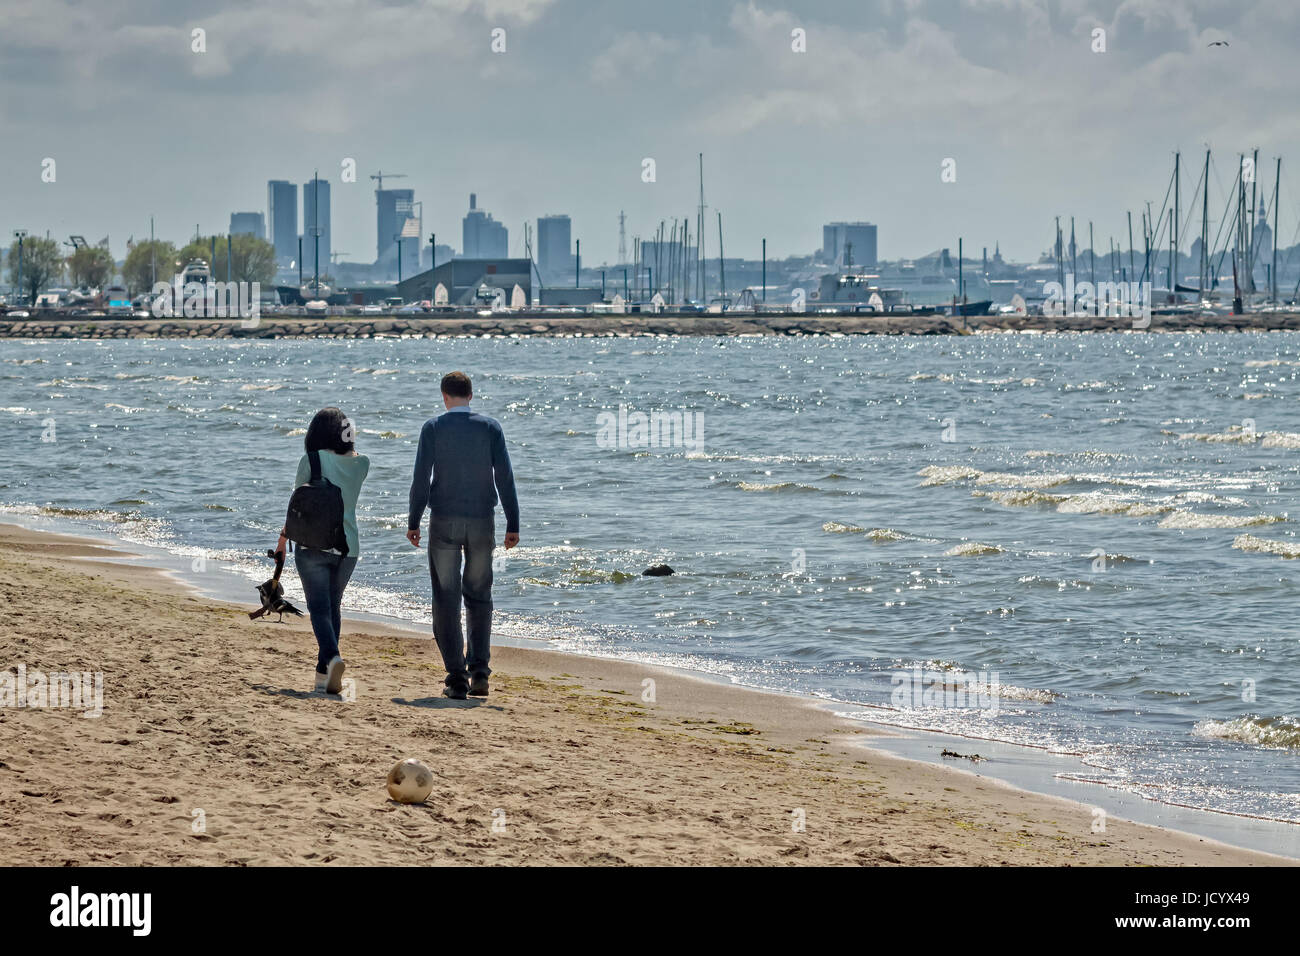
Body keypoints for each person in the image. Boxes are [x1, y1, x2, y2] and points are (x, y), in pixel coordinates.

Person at [407, 371, 519, 699]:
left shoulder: (433, 428)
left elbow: (421, 480)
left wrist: (413, 520)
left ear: (444, 396)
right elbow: (505, 478)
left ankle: (456, 678)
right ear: (471, 395)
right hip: (483, 522)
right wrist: (513, 522)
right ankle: (480, 673)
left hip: (443, 523)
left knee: (445, 598)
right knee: (479, 596)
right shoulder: (490, 428)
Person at [277, 407, 370, 694]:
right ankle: (324, 676)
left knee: (318, 607)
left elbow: (299, 508)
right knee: (332, 607)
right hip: (348, 547)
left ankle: (332, 657)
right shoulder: (362, 463)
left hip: (311, 544)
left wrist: (282, 540)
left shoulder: (311, 460)